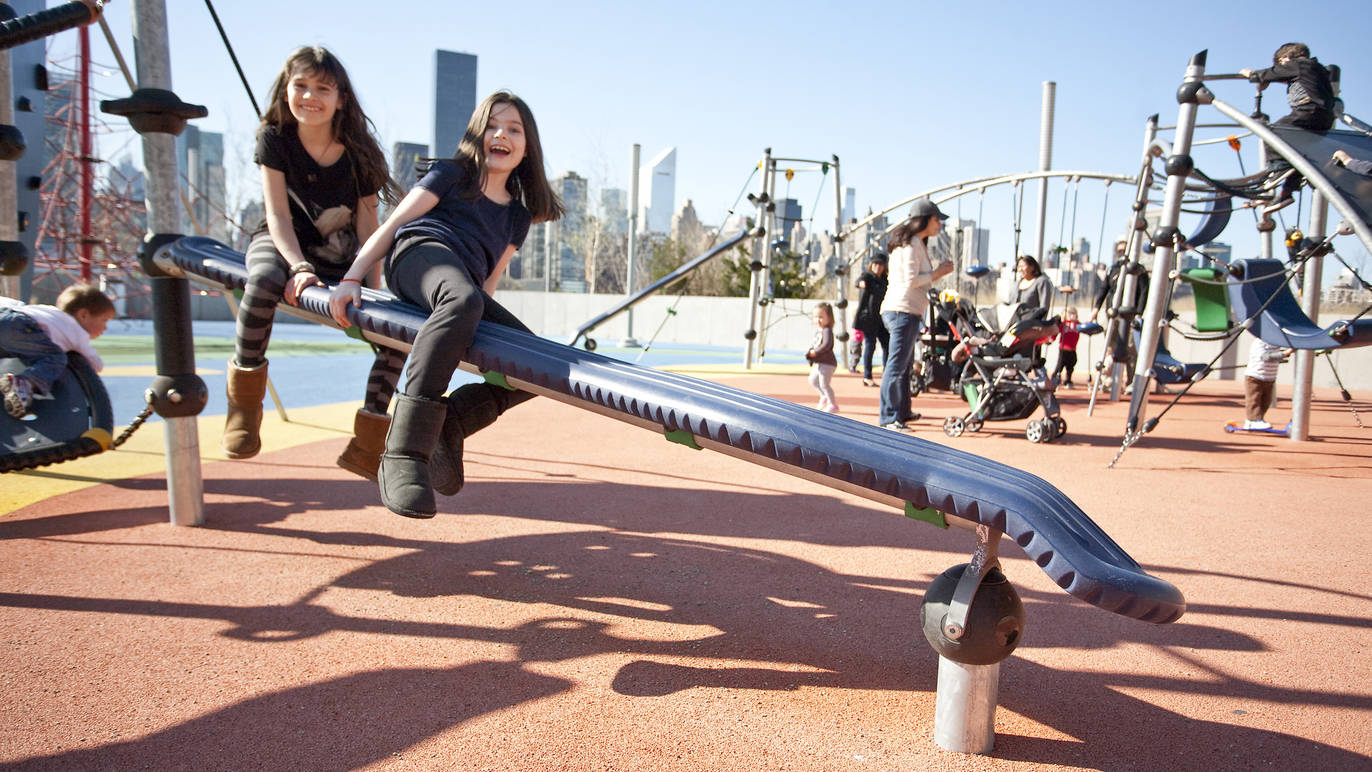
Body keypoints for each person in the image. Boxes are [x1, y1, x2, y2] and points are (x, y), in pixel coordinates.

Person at [328, 91, 564, 518]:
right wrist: (352, 277)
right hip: (419, 254)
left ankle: (451, 422)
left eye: (514, 129)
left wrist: (475, 335)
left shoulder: (517, 217)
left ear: (528, 146)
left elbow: (486, 284)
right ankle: (404, 452)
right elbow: (396, 222)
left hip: (461, 291)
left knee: (541, 364)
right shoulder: (453, 175)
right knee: (460, 296)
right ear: (477, 133)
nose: (501, 135)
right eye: (493, 125)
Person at [229, 46, 405, 478]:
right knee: (263, 279)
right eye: (300, 86)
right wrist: (298, 267)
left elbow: (369, 227)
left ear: (341, 98)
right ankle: (245, 409)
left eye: (322, 88)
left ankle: (368, 442)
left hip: (339, 258)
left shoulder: (362, 153)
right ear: (286, 90)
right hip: (281, 244)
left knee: (399, 334)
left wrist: (366, 285)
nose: (310, 96)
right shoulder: (275, 139)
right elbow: (277, 215)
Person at [878, 198, 954, 432]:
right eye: (936, 219)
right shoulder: (911, 244)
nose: (939, 224)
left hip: (903, 309)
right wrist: (938, 272)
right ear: (925, 220)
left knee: (904, 363)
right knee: (897, 364)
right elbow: (912, 280)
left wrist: (933, 277)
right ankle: (889, 417)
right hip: (903, 309)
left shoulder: (913, 243)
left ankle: (901, 411)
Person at [1241, 43, 1336, 206]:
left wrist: (1252, 75)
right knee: (1299, 155)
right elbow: (1288, 77)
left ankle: (1276, 169)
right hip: (1325, 119)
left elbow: (1273, 73)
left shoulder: (1299, 64)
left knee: (1271, 133)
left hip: (1308, 111)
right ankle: (1287, 192)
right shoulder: (1317, 69)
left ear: (1285, 58)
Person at [0, 284, 115, 418]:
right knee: (56, 358)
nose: (105, 328)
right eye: (104, 320)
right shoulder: (76, 331)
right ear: (83, 315)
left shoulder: (49, 312)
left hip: (6, 314)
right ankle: (24, 383)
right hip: (19, 326)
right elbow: (94, 364)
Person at [852, 251, 888, 386]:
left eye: (881, 264)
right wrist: (861, 283)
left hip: (882, 318)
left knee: (887, 345)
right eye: (876, 264)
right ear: (872, 265)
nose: (878, 267)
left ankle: (887, 373)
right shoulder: (867, 276)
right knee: (870, 345)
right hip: (869, 317)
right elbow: (858, 281)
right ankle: (867, 376)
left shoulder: (885, 280)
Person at [1242, 337, 1290, 431]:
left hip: (1269, 377)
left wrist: (1286, 353)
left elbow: (1277, 354)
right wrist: (1285, 353)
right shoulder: (1260, 342)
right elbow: (1266, 356)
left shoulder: (1275, 342)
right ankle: (1253, 420)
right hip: (1255, 376)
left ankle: (1258, 419)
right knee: (1254, 399)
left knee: (1266, 401)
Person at [806, 302, 839, 413]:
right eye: (816, 317)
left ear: (829, 318)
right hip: (819, 363)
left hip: (827, 363)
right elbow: (816, 344)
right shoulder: (819, 331)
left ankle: (832, 404)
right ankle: (824, 396)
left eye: (821, 317)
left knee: (824, 384)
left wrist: (815, 352)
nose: (818, 320)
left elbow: (827, 345)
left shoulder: (827, 331)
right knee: (813, 380)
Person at [1050, 306, 1081, 389]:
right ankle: (1055, 378)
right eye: (1069, 314)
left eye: (1073, 314)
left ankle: (1068, 380)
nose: (1071, 316)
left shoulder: (1078, 324)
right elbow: (1056, 331)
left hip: (1072, 349)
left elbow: (1084, 328)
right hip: (1063, 349)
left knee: (1071, 364)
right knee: (1060, 365)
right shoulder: (1064, 324)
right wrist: (1051, 339)